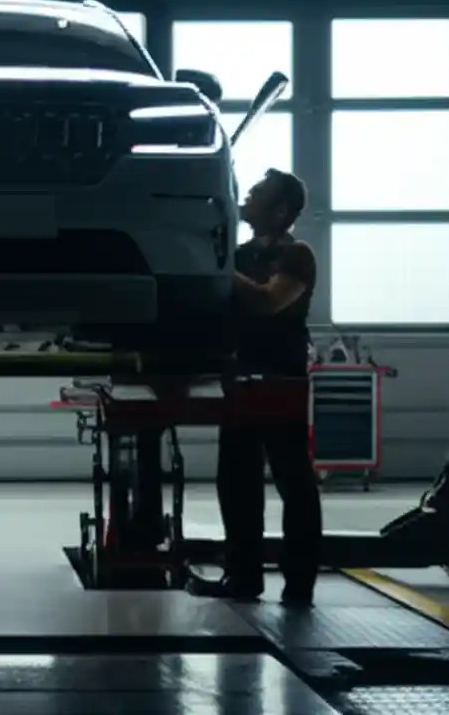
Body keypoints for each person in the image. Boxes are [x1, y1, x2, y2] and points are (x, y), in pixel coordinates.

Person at [188, 168, 322, 607]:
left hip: (280, 379)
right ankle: (244, 578)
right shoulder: (241, 253)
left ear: (280, 210)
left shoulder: (296, 256)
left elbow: (268, 301)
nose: (247, 196)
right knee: (237, 481)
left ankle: (299, 583)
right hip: (239, 379)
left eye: (258, 193)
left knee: (292, 481)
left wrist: (219, 267)